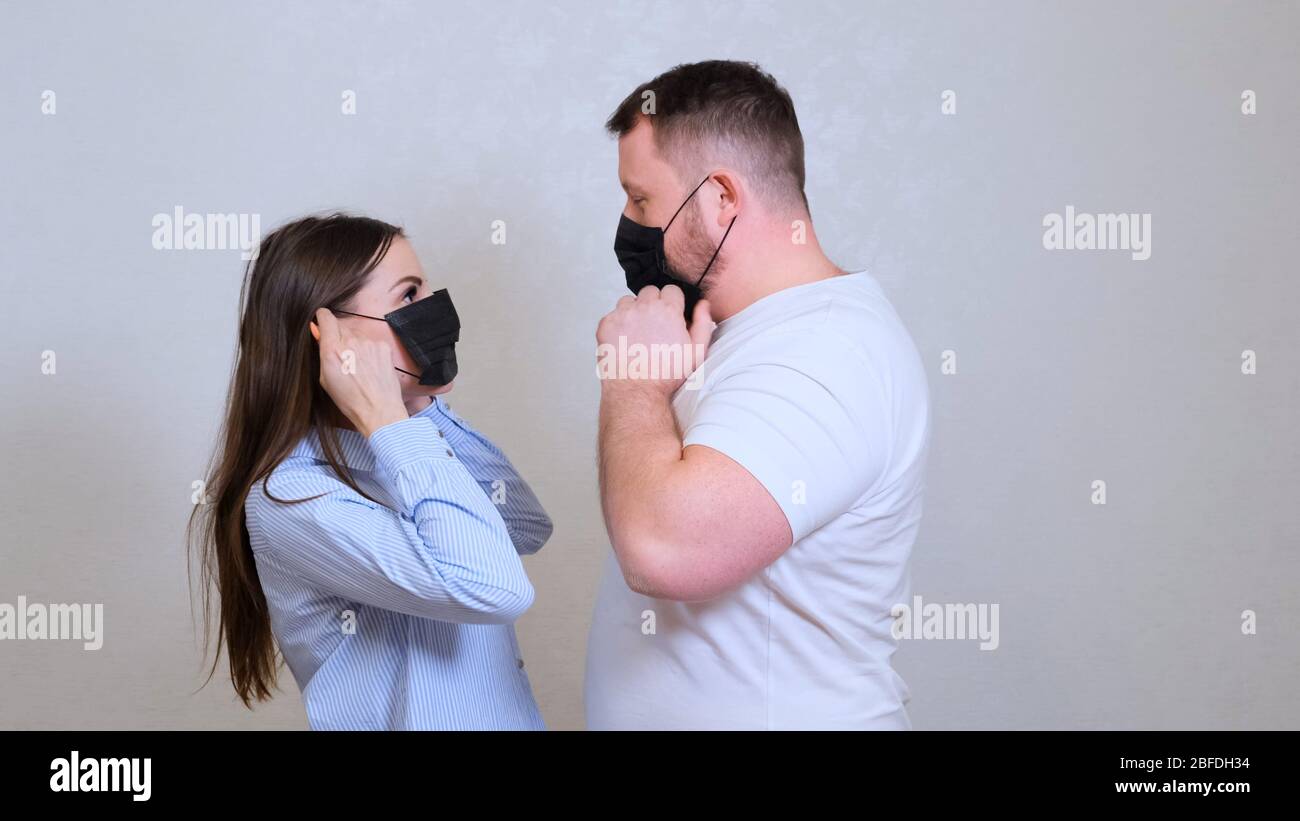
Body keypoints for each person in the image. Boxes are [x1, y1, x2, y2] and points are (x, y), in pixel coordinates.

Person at [586, 60, 932, 729]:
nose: (628, 223)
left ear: (721, 198)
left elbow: (664, 548)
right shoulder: (740, 336)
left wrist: (630, 380)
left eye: (641, 199)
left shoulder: (828, 351)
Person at [189, 213, 552, 730]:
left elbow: (523, 526)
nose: (434, 312)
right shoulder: (291, 498)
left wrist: (417, 408)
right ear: (328, 337)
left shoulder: (396, 445)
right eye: (407, 297)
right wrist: (389, 421)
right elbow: (496, 588)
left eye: (425, 291)